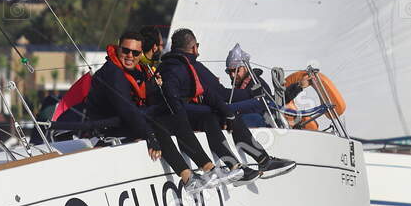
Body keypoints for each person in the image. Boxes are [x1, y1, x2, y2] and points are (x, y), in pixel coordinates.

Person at [159, 30, 294, 180]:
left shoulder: (166, 65)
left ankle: (243, 165)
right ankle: (262, 161)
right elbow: (220, 94)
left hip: (176, 116)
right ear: (194, 48)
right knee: (237, 111)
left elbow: (211, 94)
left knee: (222, 113)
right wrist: (251, 96)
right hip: (184, 117)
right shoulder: (190, 65)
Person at [84, 30, 211, 185]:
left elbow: (140, 101)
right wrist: (150, 137)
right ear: (118, 48)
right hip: (109, 129)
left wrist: (152, 87)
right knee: (156, 125)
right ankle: (188, 178)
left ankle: (209, 169)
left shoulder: (135, 71)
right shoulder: (113, 74)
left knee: (176, 119)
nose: (130, 56)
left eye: (136, 53)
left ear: (140, 54)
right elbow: (127, 110)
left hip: (127, 119)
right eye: (126, 51)